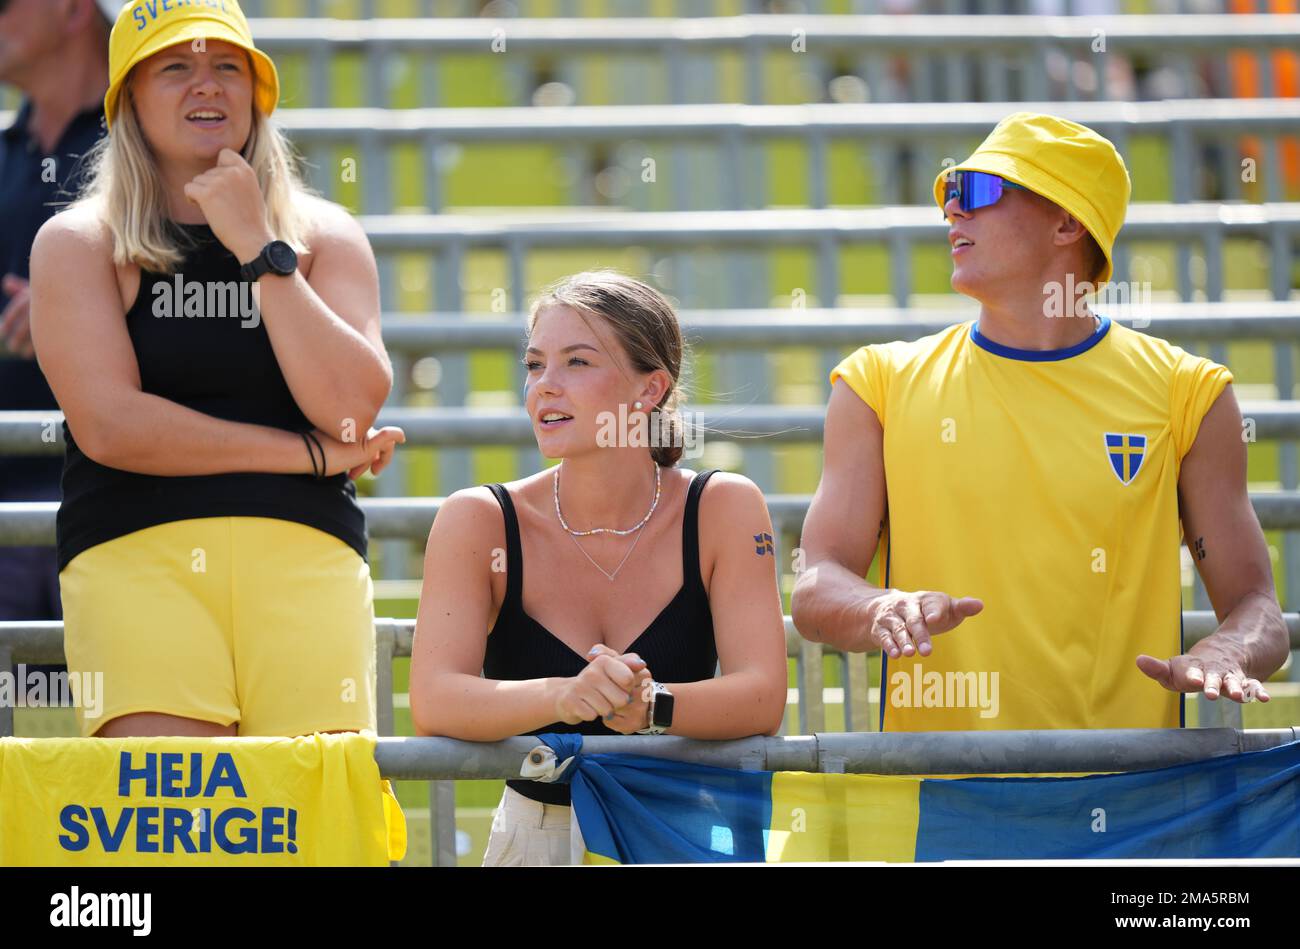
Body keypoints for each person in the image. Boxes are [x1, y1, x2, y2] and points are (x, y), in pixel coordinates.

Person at [791, 112, 1289, 733]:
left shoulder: (1189, 393)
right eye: (950, 194)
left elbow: (1255, 607)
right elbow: (814, 589)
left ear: (1066, 221)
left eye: (975, 191)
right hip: (938, 808)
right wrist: (880, 607)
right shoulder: (876, 386)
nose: (952, 211)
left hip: (1132, 805)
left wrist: (1228, 649)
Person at [28, 0, 405, 738]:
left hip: (306, 552)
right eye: (176, 67)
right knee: (179, 829)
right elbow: (111, 427)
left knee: (312, 828)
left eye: (227, 66)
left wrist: (261, 248)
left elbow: (353, 410)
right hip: (136, 555)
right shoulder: (76, 241)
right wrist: (306, 455)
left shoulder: (324, 236)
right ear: (129, 98)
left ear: (257, 94)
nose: (207, 85)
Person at [409, 270, 788, 866]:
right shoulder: (476, 518)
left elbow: (762, 696)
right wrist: (565, 696)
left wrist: (653, 706)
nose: (544, 387)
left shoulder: (726, 506)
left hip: (684, 832)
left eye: (577, 363)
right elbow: (435, 699)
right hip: (536, 838)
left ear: (650, 389)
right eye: (534, 366)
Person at [0, 0, 111, 646]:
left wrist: (74, 309)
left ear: (72, 9)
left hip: (119, 495)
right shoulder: (9, 152)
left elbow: (221, 300)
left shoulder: (153, 150)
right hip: (10, 492)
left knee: (131, 739)